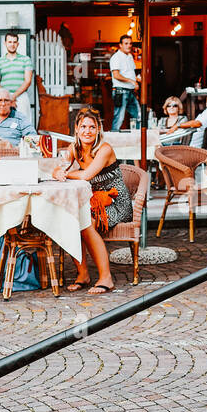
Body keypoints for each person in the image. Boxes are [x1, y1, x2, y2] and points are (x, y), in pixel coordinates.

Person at [53, 108, 130, 295]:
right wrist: (57, 172)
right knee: (72, 218)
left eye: (92, 127)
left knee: (87, 223)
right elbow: (57, 168)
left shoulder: (104, 149)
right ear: (77, 129)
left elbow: (87, 175)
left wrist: (66, 174)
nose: (87, 131)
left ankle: (106, 278)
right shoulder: (74, 148)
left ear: (98, 130)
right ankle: (83, 274)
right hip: (92, 200)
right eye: (83, 127)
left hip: (115, 202)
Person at [0, 32, 35, 121]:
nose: (12, 44)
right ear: (5, 43)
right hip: (3, 98)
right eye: (10, 42)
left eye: (14, 42)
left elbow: (28, 81)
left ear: (18, 44)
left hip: (21, 97)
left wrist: (13, 96)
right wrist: (7, 97)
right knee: (3, 122)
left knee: (24, 123)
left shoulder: (26, 60)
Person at [110, 34, 140, 131]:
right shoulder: (116, 57)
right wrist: (131, 81)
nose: (129, 46)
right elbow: (116, 75)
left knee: (139, 116)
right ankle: (113, 140)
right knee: (119, 118)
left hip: (130, 91)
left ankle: (140, 140)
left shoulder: (130, 56)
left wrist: (136, 80)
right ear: (120, 45)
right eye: (126, 43)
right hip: (120, 91)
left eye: (130, 43)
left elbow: (130, 73)